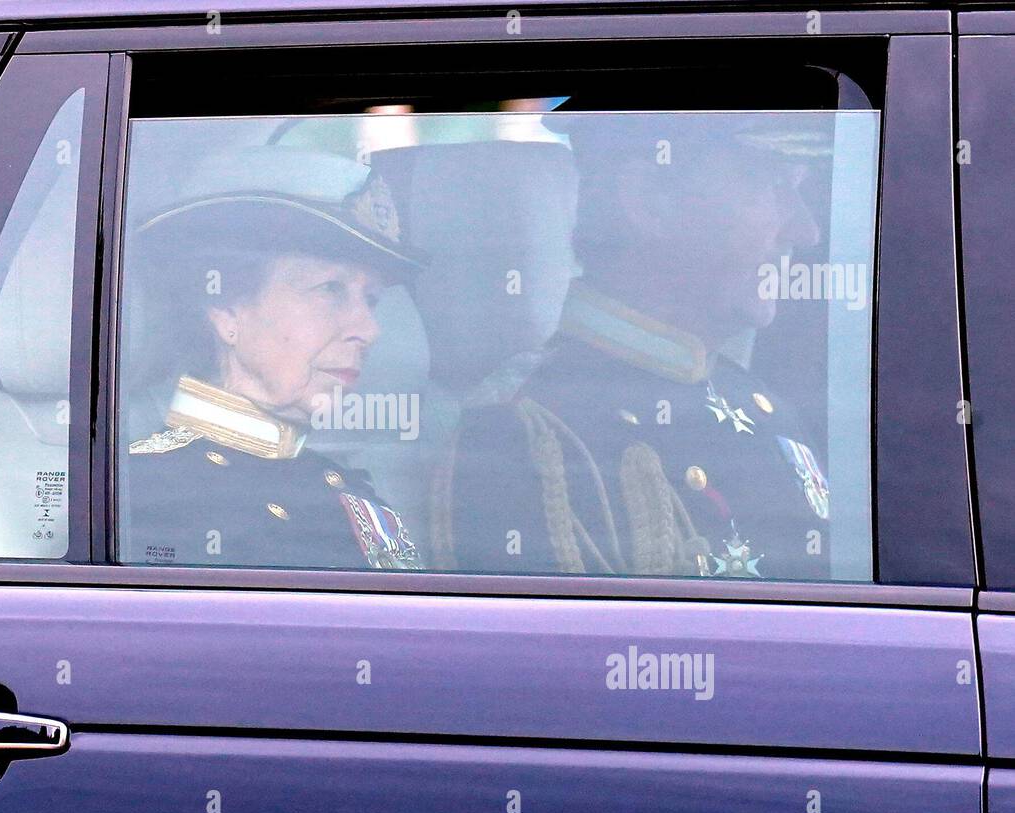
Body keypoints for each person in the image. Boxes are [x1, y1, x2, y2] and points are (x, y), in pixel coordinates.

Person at [440, 113, 834, 579]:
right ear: (649, 202)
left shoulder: (753, 398)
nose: (806, 231)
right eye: (773, 186)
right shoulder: (531, 433)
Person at [120, 146, 425, 570]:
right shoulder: (155, 496)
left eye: (371, 300)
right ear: (226, 310)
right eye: (331, 290)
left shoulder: (345, 490)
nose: (369, 330)